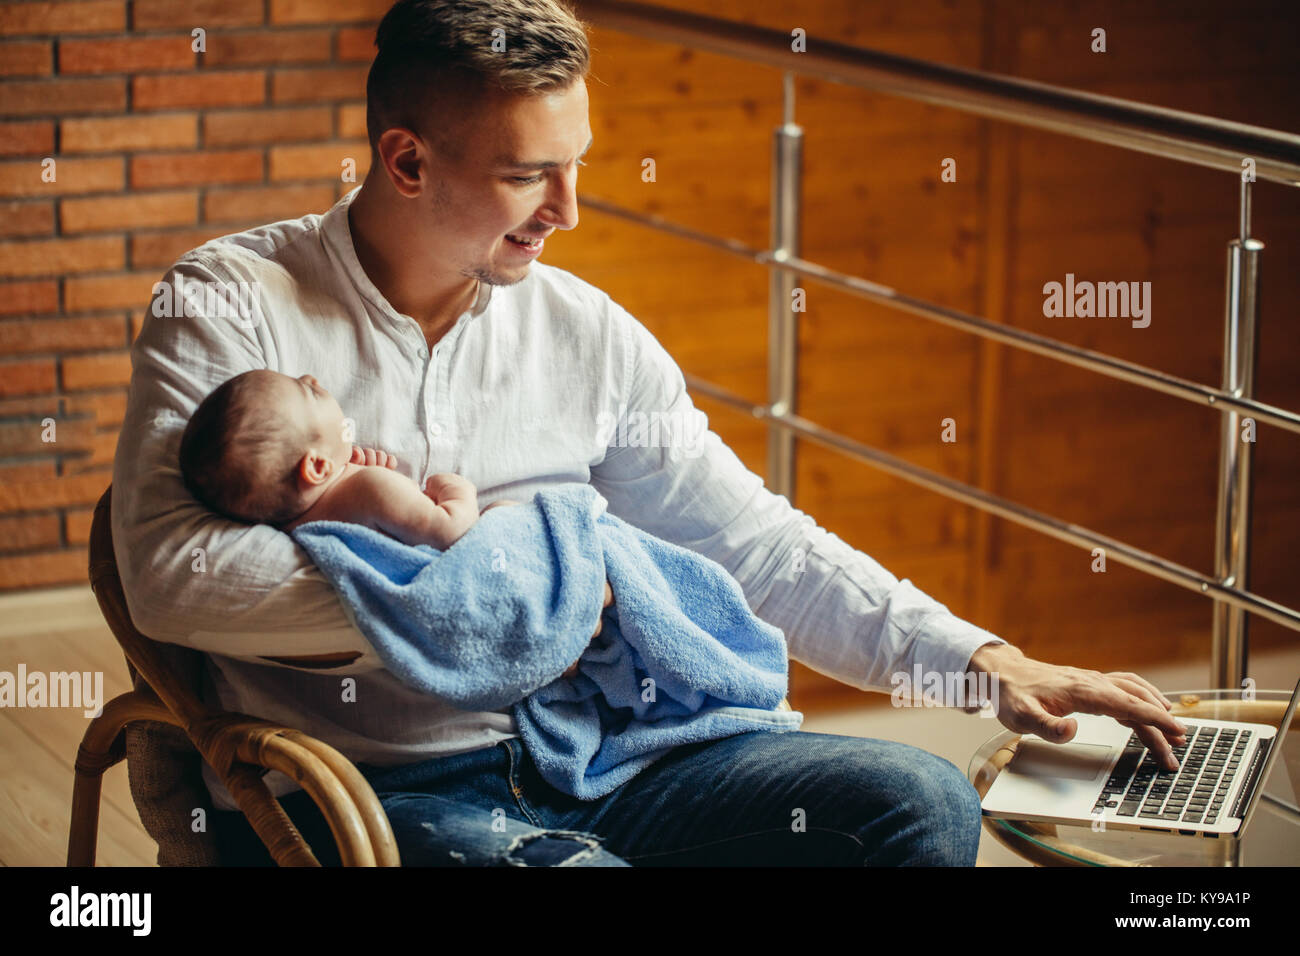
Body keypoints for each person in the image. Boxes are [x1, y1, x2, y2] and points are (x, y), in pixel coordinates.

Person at [112, 0, 1187, 866]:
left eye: (575, 163)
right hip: (367, 783)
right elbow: (174, 574)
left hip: (603, 758)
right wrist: (528, 597)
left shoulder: (584, 331)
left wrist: (981, 660)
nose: (568, 209)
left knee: (915, 800)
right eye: (529, 173)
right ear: (406, 162)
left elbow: (752, 544)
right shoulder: (231, 302)